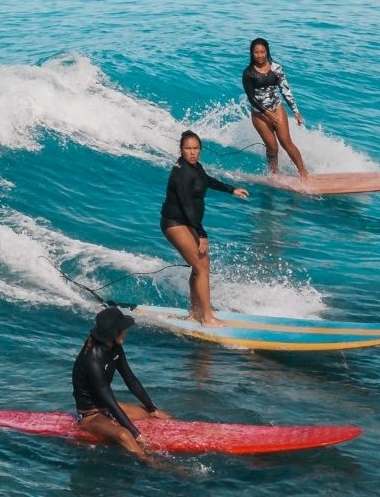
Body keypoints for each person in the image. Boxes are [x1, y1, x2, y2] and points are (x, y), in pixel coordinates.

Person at [160, 130, 248, 326]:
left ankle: (195, 312)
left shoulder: (195, 167)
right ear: (181, 149)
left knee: (200, 265)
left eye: (196, 148)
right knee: (202, 267)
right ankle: (207, 318)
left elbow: (207, 180)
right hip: (175, 223)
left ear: (200, 149)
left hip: (186, 222)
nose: (192, 152)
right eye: (188, 148)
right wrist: (201, 233)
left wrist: (231, 189)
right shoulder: (183, 172)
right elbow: (186, 205)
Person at [72, 306, 171, 459]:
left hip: (106, 407)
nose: (126, 332)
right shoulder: (92, 360)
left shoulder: (115, 348)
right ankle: (153, 464)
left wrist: (153, 409)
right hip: (90, 415)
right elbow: (109, 400)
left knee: (154, 415)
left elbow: (130, 379)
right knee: (124, 435)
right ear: (113, 333)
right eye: (123, 329)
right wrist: (137, 435)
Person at [242, 37, 309, 178]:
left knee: (286, 142)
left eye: (262, 52)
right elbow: (251, 98)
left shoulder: (276, 68)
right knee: (272, 148)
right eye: (256, 52)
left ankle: (303, 173)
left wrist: (295, 111)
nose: (259, 55)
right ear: (252, 53)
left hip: (276, 108)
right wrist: (267, 113)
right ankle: (274, 175)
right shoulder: (248, 73)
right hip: (259, 114)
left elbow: (285, 89)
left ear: (267, 52)